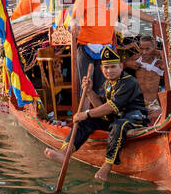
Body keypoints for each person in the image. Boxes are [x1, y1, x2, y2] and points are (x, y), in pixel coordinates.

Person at [45, 46, 147, 184]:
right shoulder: (107, 84)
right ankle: (65, 153)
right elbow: (100, 107)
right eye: (106, 68)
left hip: (134, 117)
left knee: (118, 125)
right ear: (101, 69)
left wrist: (86, 113)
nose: (109, 71)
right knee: (84, 122)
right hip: (114, 116)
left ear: (121, 66)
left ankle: (107, 165)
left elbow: (110, 107)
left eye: (113, 67)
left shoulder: (128, 82)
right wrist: (89, 91)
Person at [70, 0, 130, 105]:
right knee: (85, 86)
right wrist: (74, 25)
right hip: (86, 48)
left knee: (104, 88)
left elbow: (130, 11)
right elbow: (74, 18)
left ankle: (101, 117)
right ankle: (84, 119)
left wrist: (154, 21)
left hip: (106, 49)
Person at [123, 32, 164, 121]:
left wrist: (160, 53)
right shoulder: (136, 58)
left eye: (147, 49)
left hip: (153, 103)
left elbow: (169, 65)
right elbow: (120, 65)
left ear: (154, 48)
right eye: (141, 49)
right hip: (137, 102)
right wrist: (128, 63)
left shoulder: (158, 63)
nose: (144, 52)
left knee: (160, 117)